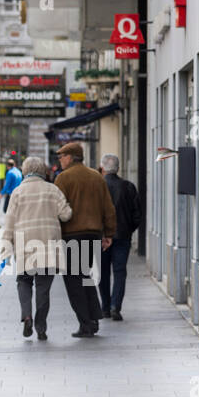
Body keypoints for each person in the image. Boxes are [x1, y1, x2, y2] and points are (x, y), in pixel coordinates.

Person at [0, 157, 71, 340]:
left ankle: (27, 316)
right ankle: (41, 327)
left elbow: (9, 223)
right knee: (43, 288)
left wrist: (5, 249)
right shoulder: (52, 190)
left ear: (24, 170)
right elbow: (66, 214)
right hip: (48, 246)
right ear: (43, 171)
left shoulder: (17, 193)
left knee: (23, 281)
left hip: (25, 247)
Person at [53, 143, 116, 338]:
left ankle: (86, 322)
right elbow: (108, 207)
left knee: (73, 281)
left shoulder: (63, 178)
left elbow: (56, 208)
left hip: (71, 235)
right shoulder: (97, 177)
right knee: (86, 277)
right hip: (93, 234)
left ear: (72, 157)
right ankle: (94, 317)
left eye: (62, 156)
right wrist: (109, 234)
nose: (60, 160)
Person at [97, 153, 141, 321]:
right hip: (122, 236)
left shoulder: (98, 186)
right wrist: (129, 230)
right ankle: (116, 306)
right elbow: (137, 214)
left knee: (103, 272)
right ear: (118, 168)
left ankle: (105, 307)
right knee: (120, 271)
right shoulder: (128, 187)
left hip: (101, 237)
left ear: (102, 168)